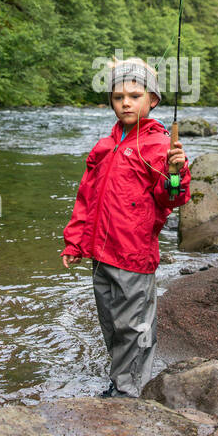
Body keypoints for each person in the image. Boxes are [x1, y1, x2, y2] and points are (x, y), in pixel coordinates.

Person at [60, 56, 191, 398]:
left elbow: (172, 198)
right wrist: (75, 243)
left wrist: (177, 171)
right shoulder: (103, 147)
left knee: (135, 326)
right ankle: (122, 378)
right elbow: (86, 198)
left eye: (134, 96)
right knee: (111, 324)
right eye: (118, 97)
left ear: (153, 101)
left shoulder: (161, 146)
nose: (126, 103)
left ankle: (130, 391)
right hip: (101, 255)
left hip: (134, 254)